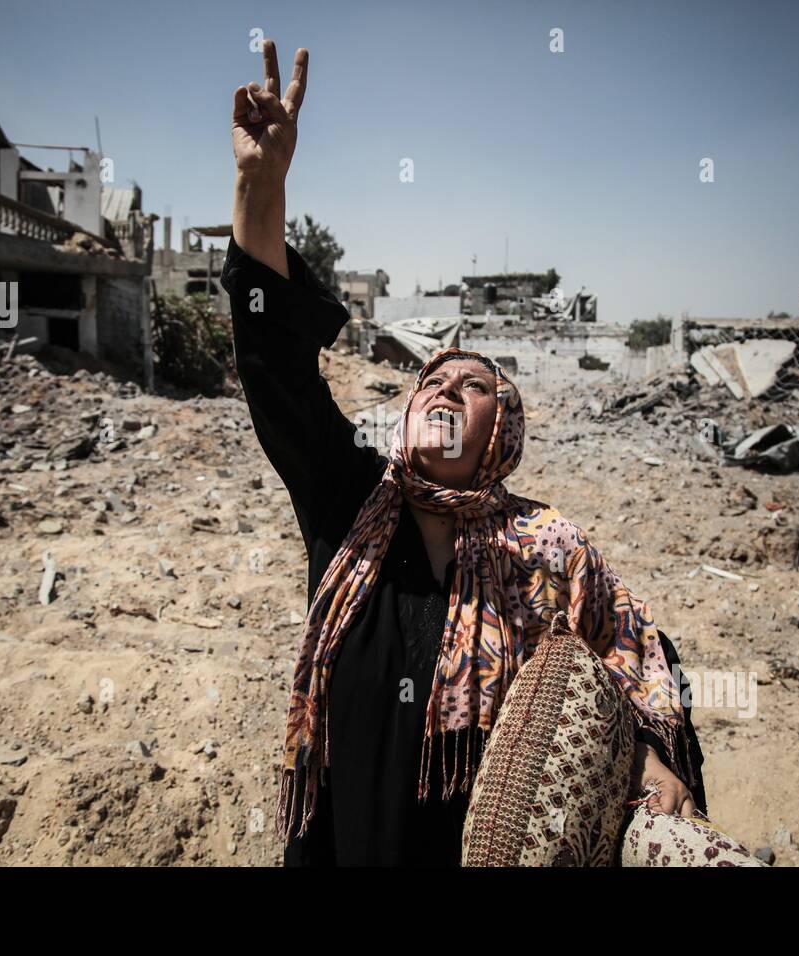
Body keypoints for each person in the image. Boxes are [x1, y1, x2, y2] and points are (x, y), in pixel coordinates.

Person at [223, 39, 705, 867]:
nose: (443, 386)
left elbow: (632, 657)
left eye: (472, 384)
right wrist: (260, 187)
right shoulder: (348, 500)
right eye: (432, 378)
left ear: (501, 437)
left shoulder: (549, 549)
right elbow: (274, 364)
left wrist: (653, 751)